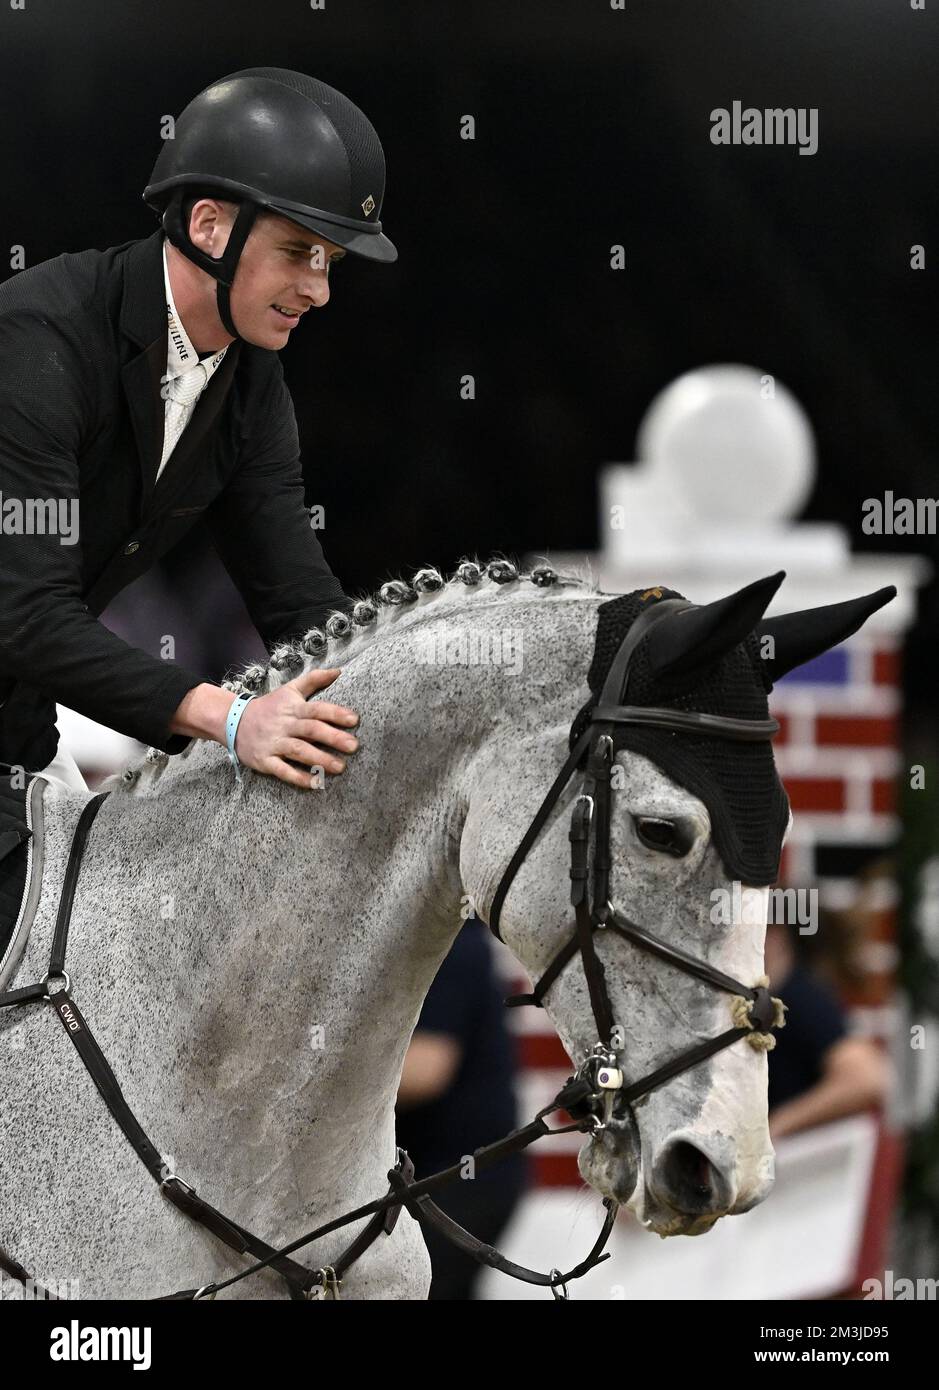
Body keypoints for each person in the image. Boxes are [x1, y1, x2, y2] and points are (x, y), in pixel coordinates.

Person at [0, 67, 397, 794]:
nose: (320, 290)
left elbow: (297, 602)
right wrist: (231, 716)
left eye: (330, 262)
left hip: (17, 736)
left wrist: (408, 698)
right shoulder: (34, 342)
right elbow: (25, 613)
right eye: (298, 252)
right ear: (209, 225)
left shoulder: (250, 379)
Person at [396, 918, 529, 1299]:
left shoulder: (447, 946)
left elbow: (426, 1068)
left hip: (458, 1178)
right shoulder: (450, 941)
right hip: (449, 1176)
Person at [764, 921, 890, 1140]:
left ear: (774, 936)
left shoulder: (802, 999)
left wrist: (777, 1124)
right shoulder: (769, 998)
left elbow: (868, 1078)